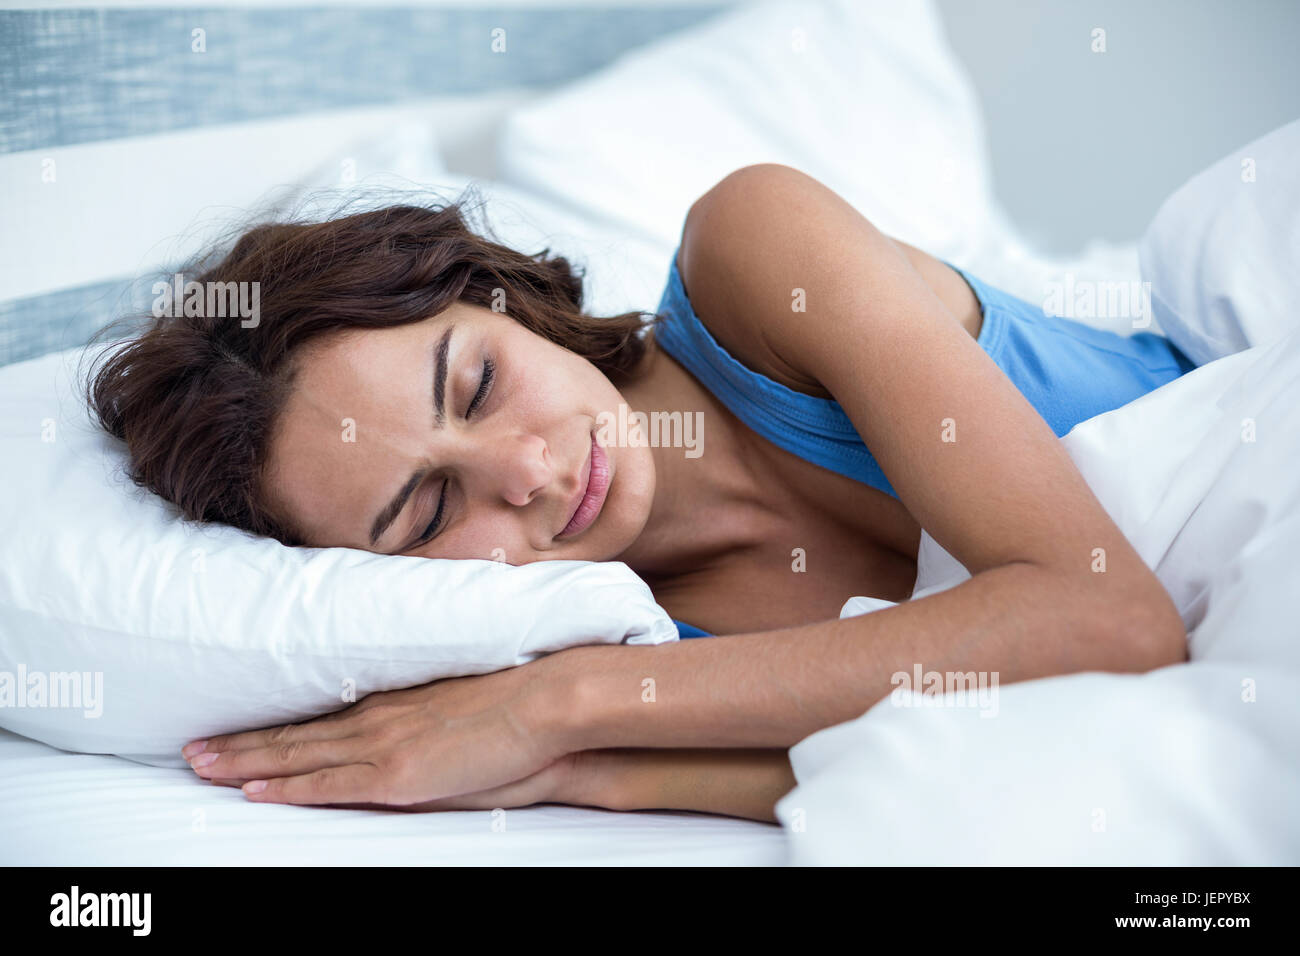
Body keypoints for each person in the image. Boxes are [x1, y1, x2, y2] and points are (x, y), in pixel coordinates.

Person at [87, 164, 1194, 822]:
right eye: (428, 514)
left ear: (498, 298)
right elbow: (955, 749)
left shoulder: (757, 250)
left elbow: (1105, 617)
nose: (527, 472)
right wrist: (581, 770)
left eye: (476, 382)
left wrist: (559, 714)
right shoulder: (632, 644)